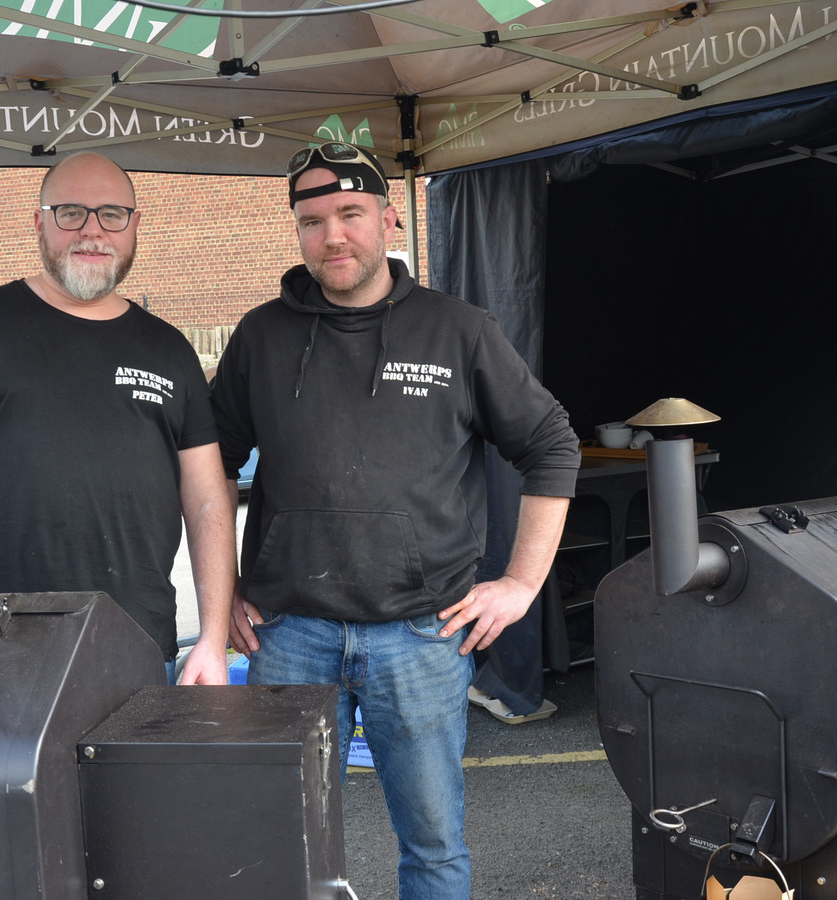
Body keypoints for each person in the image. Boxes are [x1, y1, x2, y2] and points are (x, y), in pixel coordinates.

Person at [209, 140, 580, 899]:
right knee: (284, 846)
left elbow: (552, 445)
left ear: (387, 220)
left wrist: (519, 584)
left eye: (350, 214)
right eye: (312, 221)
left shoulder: (459, 330)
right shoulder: (260, 336)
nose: (332, 236)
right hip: (289, 639)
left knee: (434, 848)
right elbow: (206, 467)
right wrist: (222, 601)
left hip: (421, 638)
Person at [0, 151, 232, 686]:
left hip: (132, 651)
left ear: (135, 226)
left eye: (112, 214)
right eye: (70, 213)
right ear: (39, 222)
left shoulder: (169, 349)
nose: (92, 231)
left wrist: (212, 639)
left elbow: (206, 502)